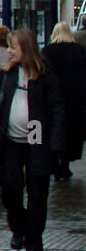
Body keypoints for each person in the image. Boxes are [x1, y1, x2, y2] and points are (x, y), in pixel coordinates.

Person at [0, 28, 67, 251]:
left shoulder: (44, 75)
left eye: (13, 47)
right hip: (11, 137)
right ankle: (19, 228)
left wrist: (55, 144)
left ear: (27, 49)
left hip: (35, 132)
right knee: (10, 185)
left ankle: (33, 238)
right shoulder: (7, 73)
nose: (9, 51)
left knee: (37, 188)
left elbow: (57, 108)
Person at [42, 21, 85, 180]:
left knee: (54, 129)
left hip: (52, 97)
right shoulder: (79, 51)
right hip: (74, 98)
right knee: (71, 132)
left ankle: (55, 163)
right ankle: (65, 164)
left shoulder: (47, 51)